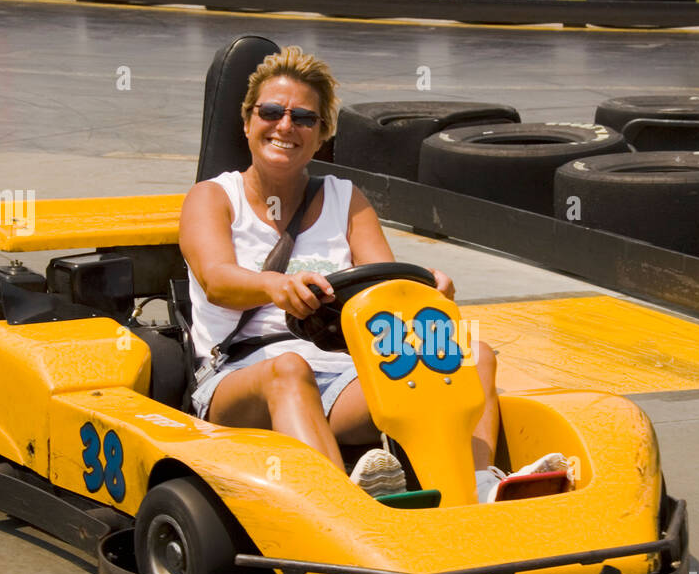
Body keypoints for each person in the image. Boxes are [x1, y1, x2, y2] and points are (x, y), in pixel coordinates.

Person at [178, 45, 565, 500]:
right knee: (290, 368)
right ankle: (341, 507)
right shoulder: (213, 197)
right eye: (271, 111)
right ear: (247, 122)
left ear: (322, 135)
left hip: (342, 376)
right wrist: (277, 287)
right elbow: (216, 280)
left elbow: (387, 285)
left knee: (469, 353)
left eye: (303, 118)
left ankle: (477, 487)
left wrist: (429, 289)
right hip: (241, 376)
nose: (285, 126)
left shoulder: (345, 199)